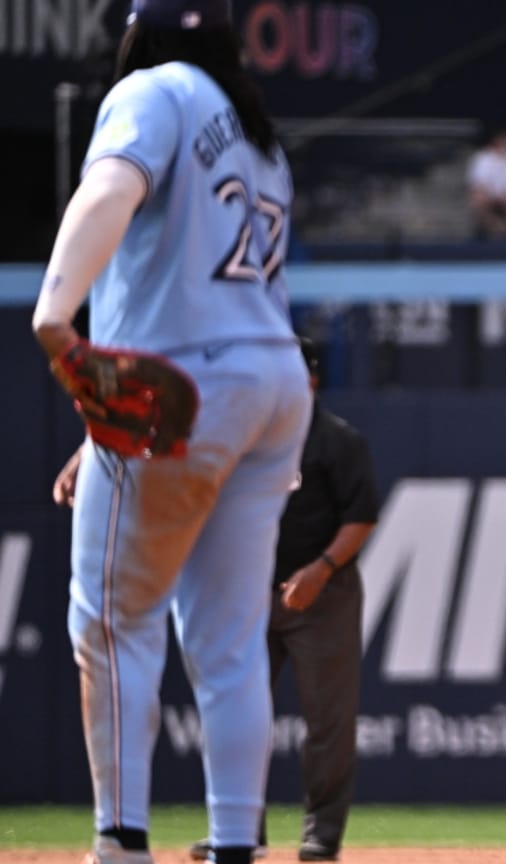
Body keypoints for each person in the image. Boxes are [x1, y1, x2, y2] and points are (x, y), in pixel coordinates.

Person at [32, 2, 312, 863]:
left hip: (186, 380)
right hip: (270, 382)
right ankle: (235, 844)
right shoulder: (261, 137)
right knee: (228, 644)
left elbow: (110, 189)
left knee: (114, 622)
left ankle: (120, 842)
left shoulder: (153, 90)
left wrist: (55, 312)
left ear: (141, 33)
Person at [185, 338, 380, 862]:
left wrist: (321, 569)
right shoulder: (246, 438)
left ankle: (322, 833)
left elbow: (360, 517)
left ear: (310, 381)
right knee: (235, 708)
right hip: (249, 592)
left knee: (328, 721)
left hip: (322, 595)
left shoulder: (337, 441)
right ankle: (237, 830)